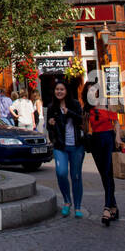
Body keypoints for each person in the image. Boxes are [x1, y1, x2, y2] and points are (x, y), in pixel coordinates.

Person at [46, 80, 87, 218]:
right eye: (57, 89)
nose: (59, 92)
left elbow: (81, 120)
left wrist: (69, 112)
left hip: (76, 145)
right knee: (61, 173)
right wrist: (51, 125)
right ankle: (67, 201)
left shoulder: (74, 104)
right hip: (60, 146)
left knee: (76, 176)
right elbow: (49, 126)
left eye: (62, 89)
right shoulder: (52, 107)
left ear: (67, 91)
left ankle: (78, 206)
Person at [86, 95, 125, 226]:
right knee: (104, 174)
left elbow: (116, 123)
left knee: (108, 173)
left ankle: (107, 208)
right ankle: (114, 206)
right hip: (95, 141)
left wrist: (118, 138)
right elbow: (85, 126)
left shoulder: (107, 104)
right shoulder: (88, 108)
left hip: (108, 139)